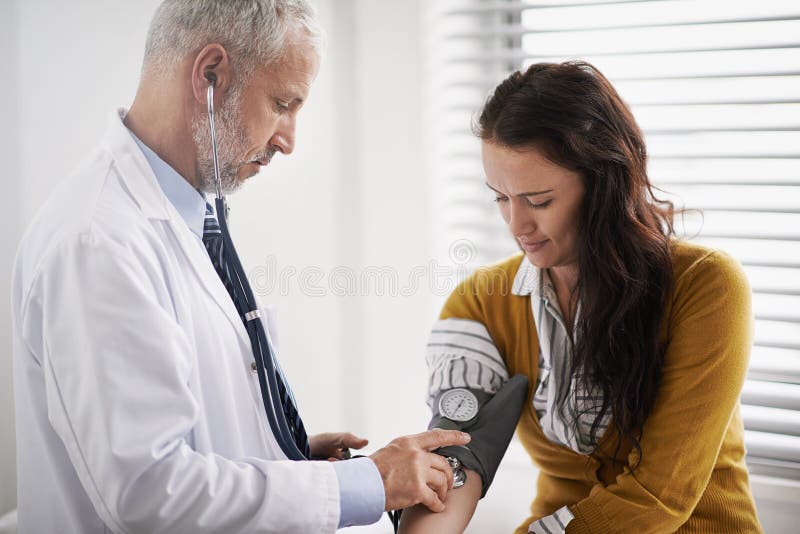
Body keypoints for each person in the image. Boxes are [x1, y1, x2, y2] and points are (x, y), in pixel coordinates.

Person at [10, 1, 469, 532]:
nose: (288, 141)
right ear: (210, 74)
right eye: (282, 104)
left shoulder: (191, 213)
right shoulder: (97, 244)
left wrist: (276, 449)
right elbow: (150, 495)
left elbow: (186, 426)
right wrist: (367, 484)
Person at [399, 61, 762, 533]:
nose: (516, 225)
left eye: (539, 200)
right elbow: (458, 457)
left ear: (604, 185)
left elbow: (659, 496)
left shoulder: (706, 285)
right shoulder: (482, 300)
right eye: (500, 198)